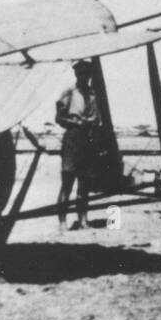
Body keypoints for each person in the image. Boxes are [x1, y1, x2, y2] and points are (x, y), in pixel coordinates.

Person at [55, 60, 103, 231]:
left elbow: (97, 117)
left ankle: (83, 220)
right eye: (81, 74)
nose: (85, 78)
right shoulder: (68, 93)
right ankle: (62, 222)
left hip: (88, 141)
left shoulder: (93, 94)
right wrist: (75, 121)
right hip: (72, 139)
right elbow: (59, 118)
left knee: (84, 184)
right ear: (76, 75)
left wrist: (91, 121)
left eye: (87, 75)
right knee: (67, 182)